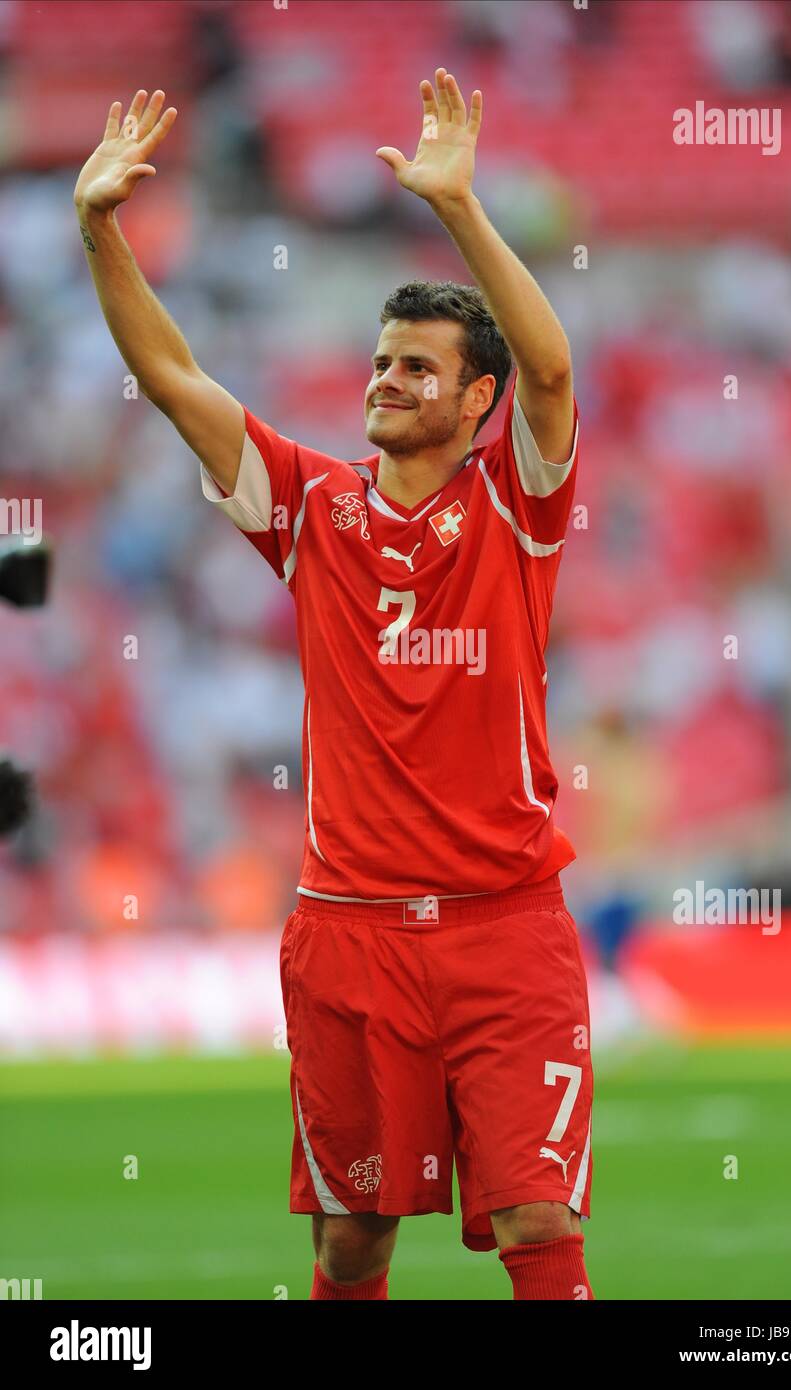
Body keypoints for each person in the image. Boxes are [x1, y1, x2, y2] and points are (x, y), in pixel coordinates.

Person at [74, 69, 594, 1302]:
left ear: (477, 401)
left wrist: (459, 207)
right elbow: (173, 382)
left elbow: (554, 373)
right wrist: (97, 229)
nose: (386, 380)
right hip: (346, 932)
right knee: (352, 1243)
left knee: (533, 1216)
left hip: (504, 927)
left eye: (419, 367)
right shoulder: (312, 505)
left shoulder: (517, 508)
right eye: (380, 360)